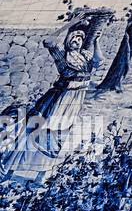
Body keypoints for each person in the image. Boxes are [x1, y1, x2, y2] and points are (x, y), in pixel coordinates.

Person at [0, 23, 103, 182]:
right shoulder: (62, 55)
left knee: (57, 138)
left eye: (79, 38)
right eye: (73, 37)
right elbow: (48, 40)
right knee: (36, 132)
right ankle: (8, 168)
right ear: (67, 40)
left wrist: (96, 40)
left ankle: (41, 175)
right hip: (57, 100)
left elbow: (99, 61)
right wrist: (71, 22)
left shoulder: (85, 57)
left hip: (73, 103)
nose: (76, 40)